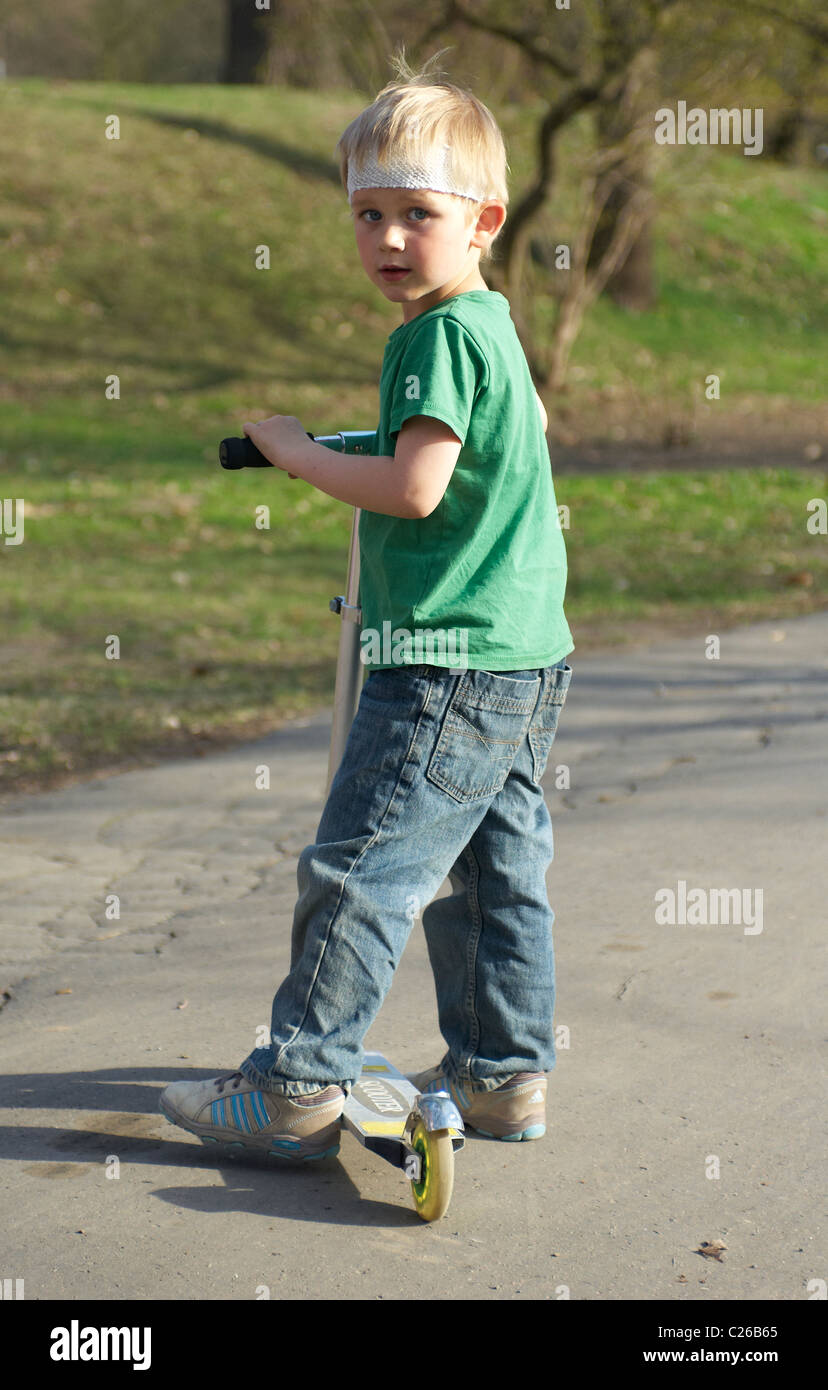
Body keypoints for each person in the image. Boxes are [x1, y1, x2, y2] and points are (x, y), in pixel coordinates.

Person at [160, 54, 574, 1159]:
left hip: (441, 660)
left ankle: (296, 1084)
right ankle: (501, 1077)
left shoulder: (429, 338)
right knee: (490, 876)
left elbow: (414, 485)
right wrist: (313, 447)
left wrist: (298, 455)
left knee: (364, 863)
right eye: (368, 214)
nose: (390, 240)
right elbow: (438, 456)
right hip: (520, 656)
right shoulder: (488, 327)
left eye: (417, 215)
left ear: (482, 218)